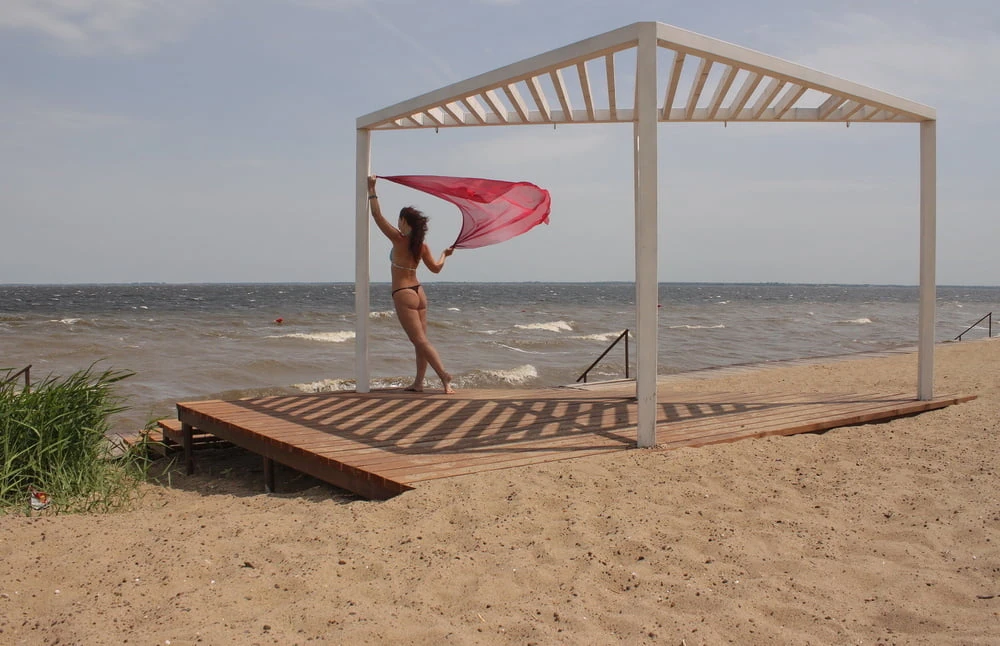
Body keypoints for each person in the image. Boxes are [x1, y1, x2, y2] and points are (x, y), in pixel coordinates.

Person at [368, 175, 455, 394]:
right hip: (419, 292)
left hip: (403, 293)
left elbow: (377, 215)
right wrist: (445, 255)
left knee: (419, 340)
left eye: (400, 219)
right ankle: (418, 383)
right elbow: (436, 268)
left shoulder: (399, 240)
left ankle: (444, 376)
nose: (397, 223)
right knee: (421, 341)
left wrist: (372, 189)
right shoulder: (421, 246)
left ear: (404, 222)